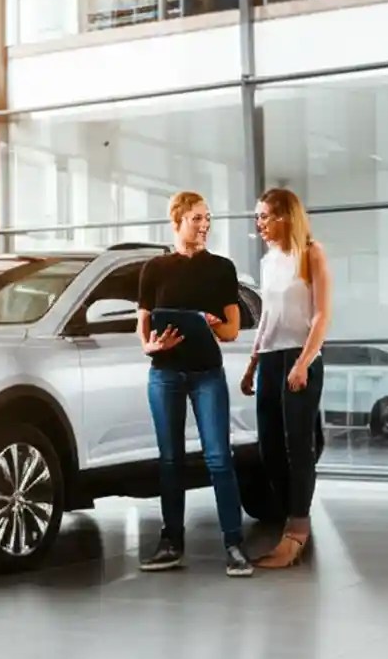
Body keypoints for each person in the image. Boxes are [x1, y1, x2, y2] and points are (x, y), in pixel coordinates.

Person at [138, 191, 253, 578]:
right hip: (165, 372)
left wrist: (209, 322)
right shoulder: (154, 269)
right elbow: (143, 330)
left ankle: (234, 544)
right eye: (197, 219)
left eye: (208, 219)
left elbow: (233, 330)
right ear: (177, 220)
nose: (204, 226)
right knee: (169, 460)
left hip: (207, 373)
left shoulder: (221, 268)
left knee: (219, 457)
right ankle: (171, 542)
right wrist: (153, 345)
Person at [240, 187, 332, 569]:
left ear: (285, 216)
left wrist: (304, 362)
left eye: (264, 216)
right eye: (258, 216)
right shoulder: (268, 261)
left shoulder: (311, 253)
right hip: (273, 359)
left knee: (299, 448)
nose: (259, 223)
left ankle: (296, 530)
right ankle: (290, 513)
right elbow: (267, 317)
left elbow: (321, 316)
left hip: (301, 357)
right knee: (270, 449)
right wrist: (252, 363)